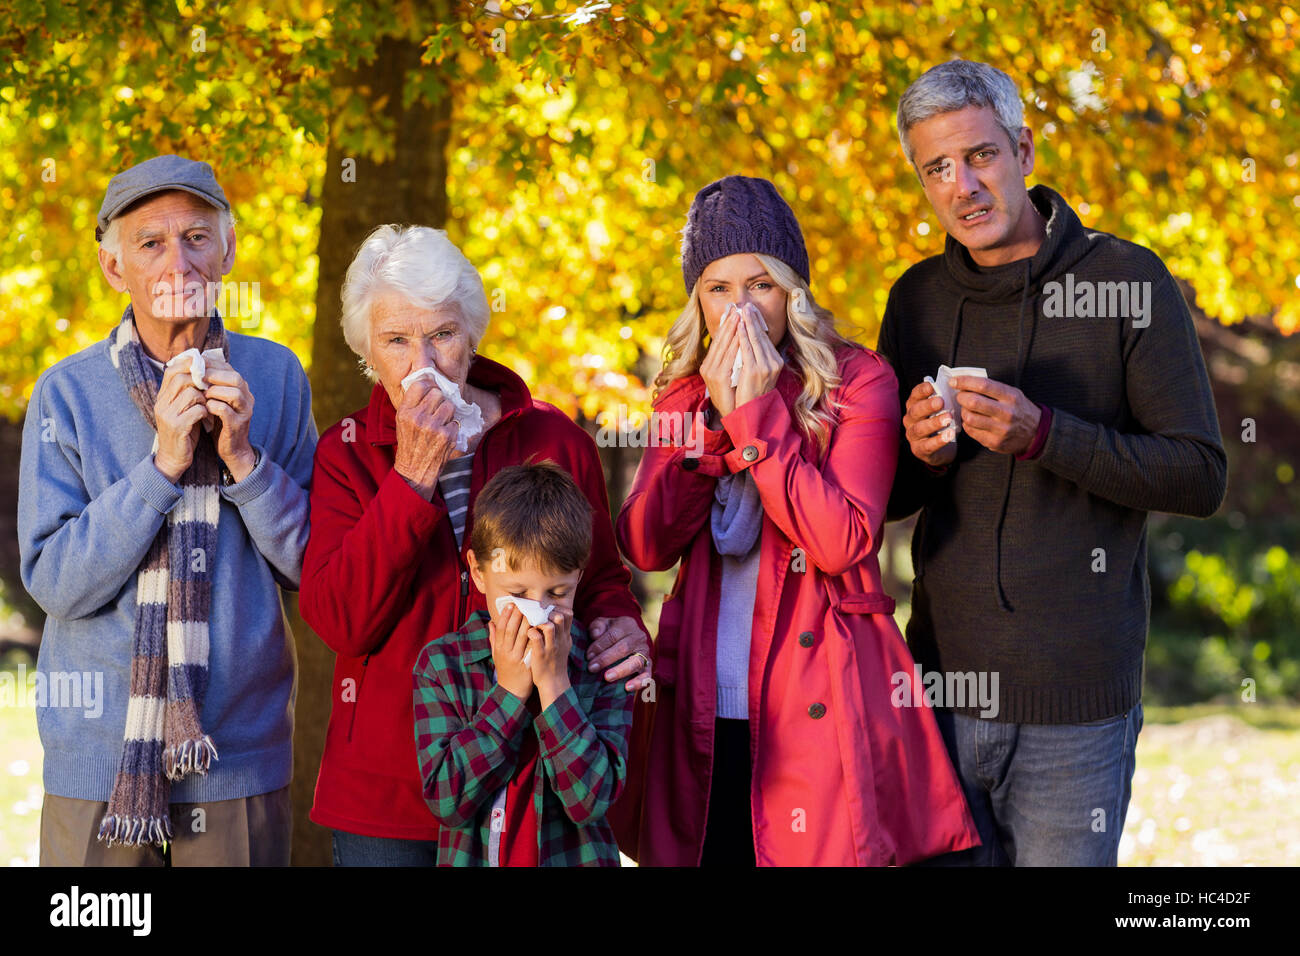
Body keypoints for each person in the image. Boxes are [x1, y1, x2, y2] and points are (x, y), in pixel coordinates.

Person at [878, 59, 1228, 865]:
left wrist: (1047, 436)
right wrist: (921, 453)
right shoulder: (917, 299)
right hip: (939, 692)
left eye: (980, 156)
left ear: (1025, 150)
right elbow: (885, 496)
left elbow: (1199, 474)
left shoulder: (1127, 279)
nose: (961, 185)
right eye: (935, 168)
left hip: (1075, 708)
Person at [611, 175, 980, 866]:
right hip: (702, 693)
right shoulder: (684, 395)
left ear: (792, 291)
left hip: (821, 697)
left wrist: (755, 415)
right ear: (697, 298)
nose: (739, 309)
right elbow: (646, 544)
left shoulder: (858, 380)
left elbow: (843, 541)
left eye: (760, 285)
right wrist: (710, 430)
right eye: (718, 289)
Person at [300, 224, 651, 866]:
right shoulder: (344, 453)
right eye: (397, 341)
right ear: (368, 354)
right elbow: (342, 621)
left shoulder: (554, 439)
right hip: (392, 792)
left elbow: (600, 579)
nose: (424, 364)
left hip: (535, 778)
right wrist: (410, 479)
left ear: (472, 333)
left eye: (442, 335)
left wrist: (624, 626)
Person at [18, 154, 316, 865]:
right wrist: (163, 467)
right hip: (98, 763)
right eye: (150, 242)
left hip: (236, 755)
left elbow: (311, 562)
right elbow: (55, 580)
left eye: (196, 237)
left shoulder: (274, 376)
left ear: (228, 251)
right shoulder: (66, 395)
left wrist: (244, 459)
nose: (176, 260)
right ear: (114, 267)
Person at [414, 463, 634, 866]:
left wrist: (555, 686)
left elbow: (589, 803)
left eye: (557, 592)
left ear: (579, 579)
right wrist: (510, 693)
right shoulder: (443, 666)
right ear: (479, 574)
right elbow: (448, 800)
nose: (539, 610)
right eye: (517, 592)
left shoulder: (601, 664)